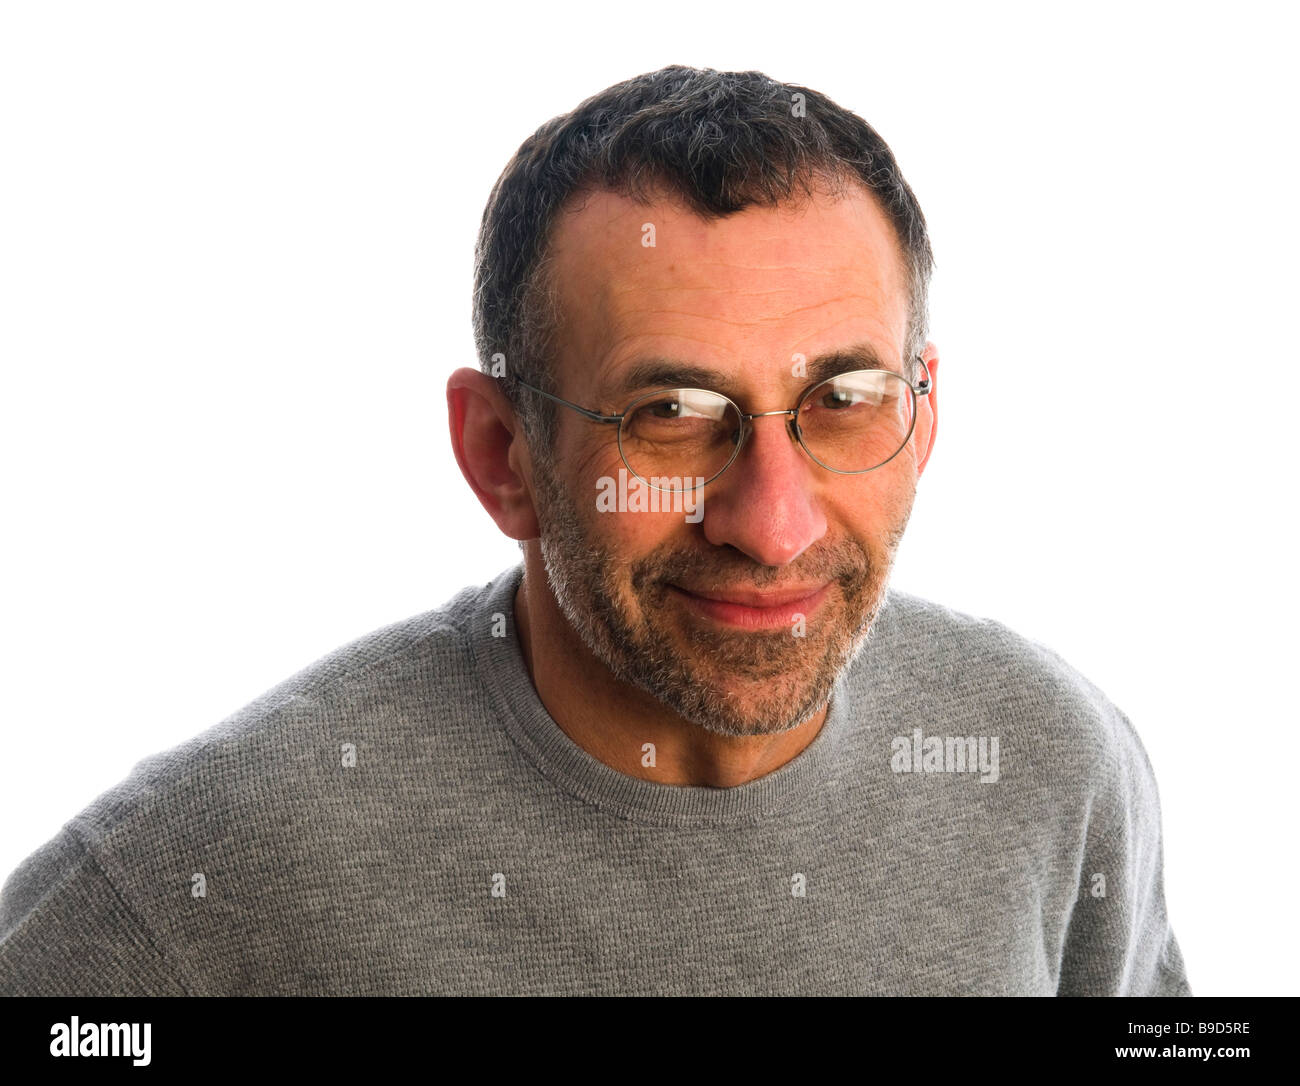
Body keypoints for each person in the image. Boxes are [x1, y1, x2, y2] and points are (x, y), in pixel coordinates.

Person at [0, 65, 1189, 996]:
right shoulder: (203, 877)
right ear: (501, 456)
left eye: (843, 400)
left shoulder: (1053, 764)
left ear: (921, 419)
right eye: (671, 416)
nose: (772, 526)